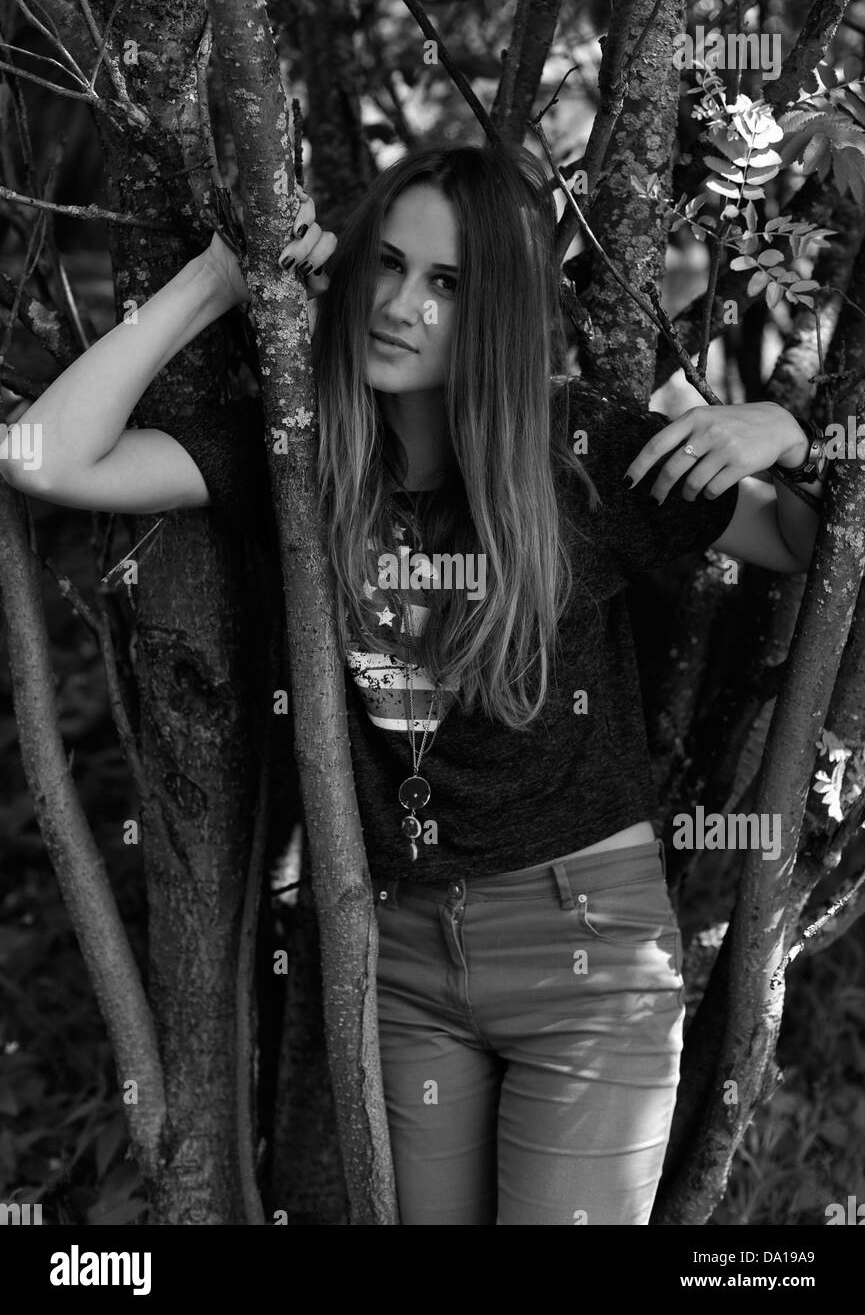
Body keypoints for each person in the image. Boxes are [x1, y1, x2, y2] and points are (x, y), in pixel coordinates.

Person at [0, 141, 826, 1225]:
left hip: (582, 949)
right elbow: (36, 453)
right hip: (397, 956)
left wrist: (795, 436)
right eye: (384, 265)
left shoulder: (579, 450)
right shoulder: (303, 453)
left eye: (446, 284)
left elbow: (819, 549)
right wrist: (217, 277)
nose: (398, 304)